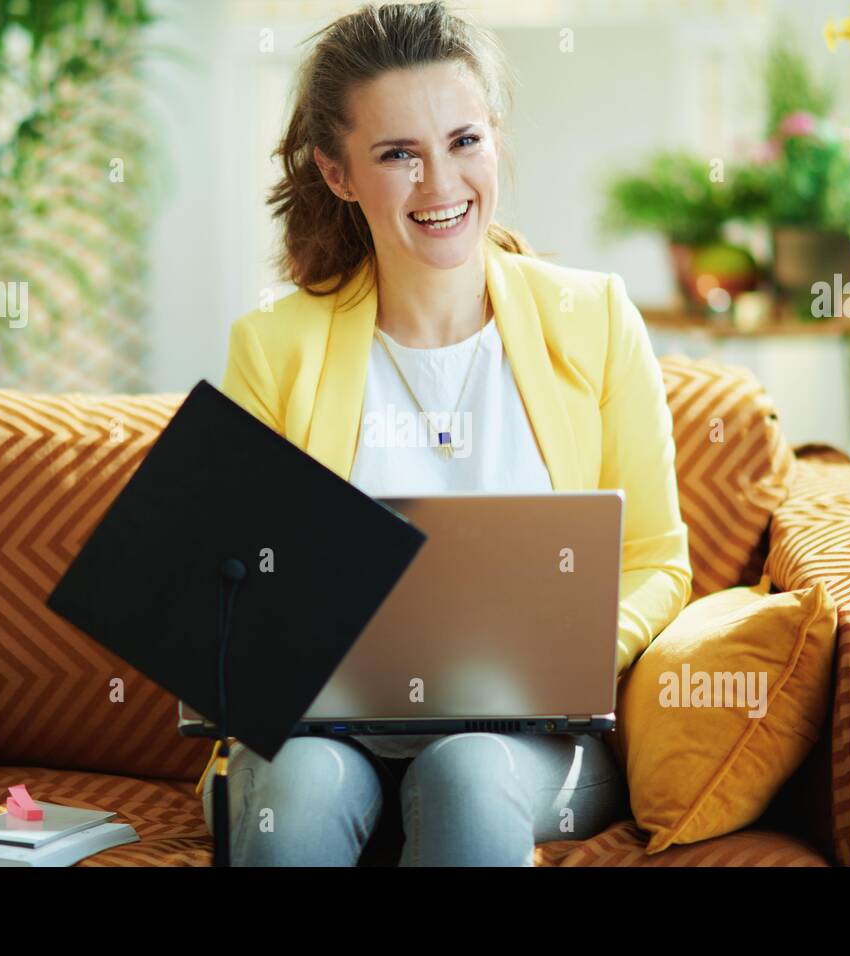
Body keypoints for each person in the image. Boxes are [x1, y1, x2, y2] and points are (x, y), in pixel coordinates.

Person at [199, 0, 692, 866]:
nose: (441, 184)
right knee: (306, 785)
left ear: (494, 137)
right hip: (322, 739)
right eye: (399, 155)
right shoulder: (271, 346)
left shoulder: (596, 319)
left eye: (464, 141)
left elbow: (658, 560)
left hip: (527, 746)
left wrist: (564, 653)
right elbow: (228, 584)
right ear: (339, 172)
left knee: (465, 773)